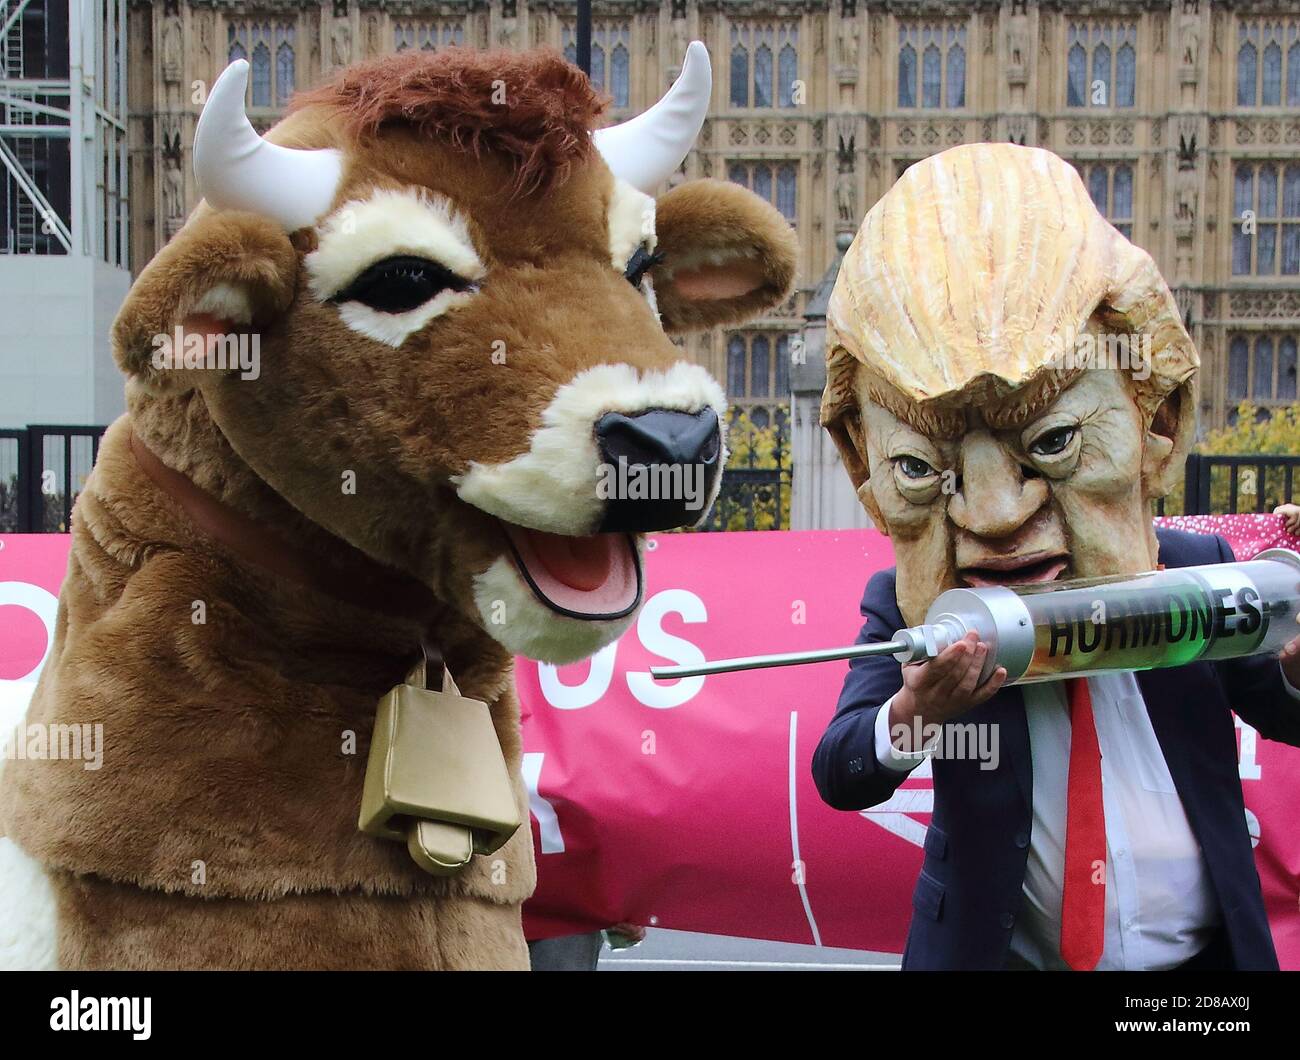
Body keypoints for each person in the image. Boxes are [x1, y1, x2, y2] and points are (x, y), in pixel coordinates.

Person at [812, 143, 1300, 971]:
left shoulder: (1199, 571)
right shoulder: (914, 609)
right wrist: (916, 714)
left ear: (1158, 422)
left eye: (1055, 442)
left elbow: (1286, 711)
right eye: (923, 468)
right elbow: (844, 768)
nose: (996, 516)